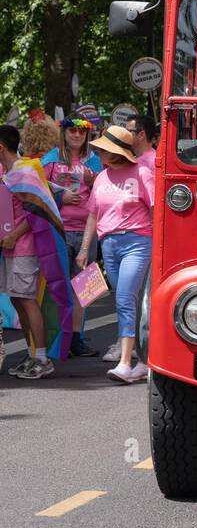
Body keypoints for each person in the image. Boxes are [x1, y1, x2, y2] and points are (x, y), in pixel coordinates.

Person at [79, 125, 153, 383]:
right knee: (128, 301)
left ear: (117, 152)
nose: (98, 152)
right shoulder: (101, 177)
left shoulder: (143, 172)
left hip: (137, 242)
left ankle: (125, 363)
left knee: (124, 298)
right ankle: (143, 361)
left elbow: (158, 209)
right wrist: (85, 249)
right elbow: (92, 214)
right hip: (108, 244)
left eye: (102, 149)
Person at [42, 116, 102, 357]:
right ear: (64, 132)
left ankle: (77, 337)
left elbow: (105, 193)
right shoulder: (51, 158)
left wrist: (94, 180)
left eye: (82, 132)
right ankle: (59, 337)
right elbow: (38, 192)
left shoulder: (95, 161)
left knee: (85, 288)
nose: (77, 136)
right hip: (59, 229)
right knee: (58, 286)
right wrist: (60, 198)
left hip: (88, 231)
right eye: (72, 131)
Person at [0, 124, 53, 379]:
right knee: (16, 299)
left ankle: (42, 357)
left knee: (27, 299)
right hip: (9, 248)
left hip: (24, 247)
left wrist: (12, 236)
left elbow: (37, 211)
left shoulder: (24, 172)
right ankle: (31, 353)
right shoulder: (7, 172)